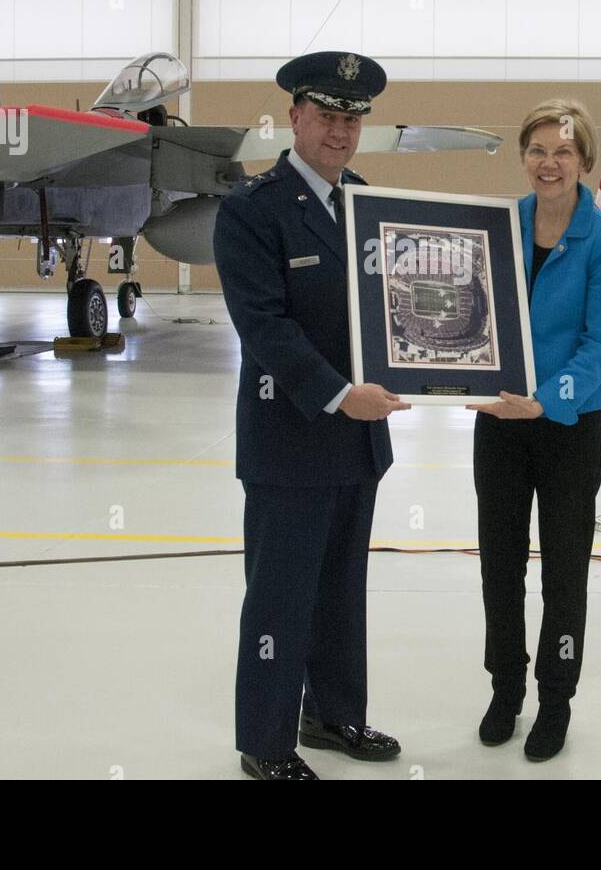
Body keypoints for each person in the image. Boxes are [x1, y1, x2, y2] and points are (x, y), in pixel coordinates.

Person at [212, 51, 410, 781]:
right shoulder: (252, 210)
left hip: (359, 442)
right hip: (289, 438)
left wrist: (412, 363)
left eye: (353, 118)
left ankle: (333, 716)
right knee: (280, 599)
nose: (341, 131)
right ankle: (264, 742)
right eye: (327, 116)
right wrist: (337, 393)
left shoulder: (364, 201)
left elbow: (389, 311)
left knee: (339, 591)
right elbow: (265, 328)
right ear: (294, 117)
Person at [468, 100, 601, 762]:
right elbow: (469, 314)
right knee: (499, 567)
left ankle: (555, 698)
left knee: (565, 573)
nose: (549, 162)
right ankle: (506, 688)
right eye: (537, 150)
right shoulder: (499, 225)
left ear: (583, 159)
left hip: (569, 425)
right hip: (498, 422)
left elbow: (600, 343)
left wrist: (545, 400)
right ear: (524, 158)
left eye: (562, 151)